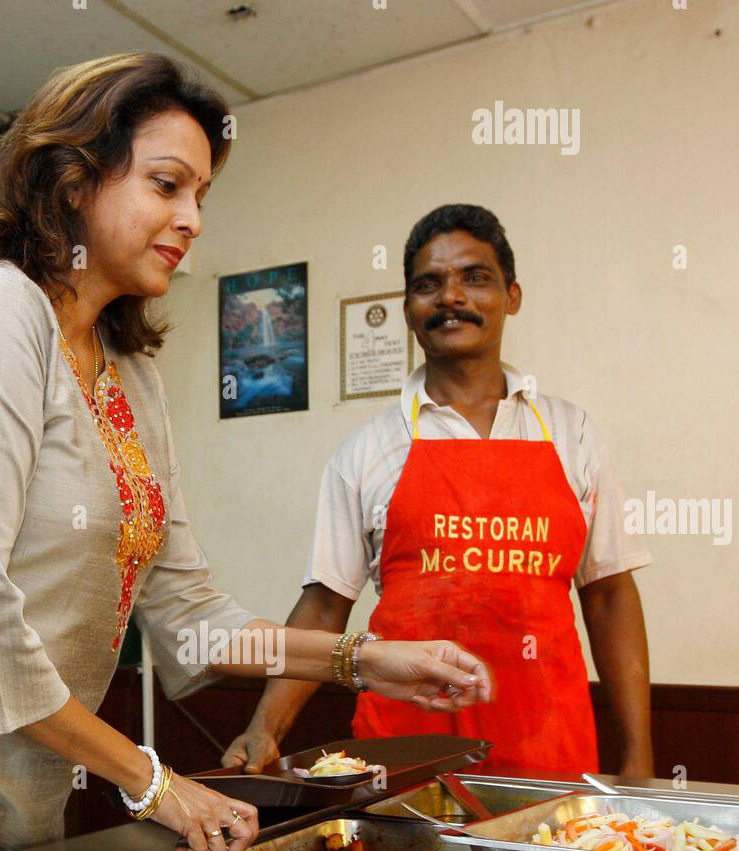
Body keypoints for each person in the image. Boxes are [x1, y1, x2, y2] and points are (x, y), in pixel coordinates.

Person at [0, 59, 490, 851]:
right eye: (167, 184)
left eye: (201, 194)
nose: (192, 219)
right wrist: (154, 783)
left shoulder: (128, 371)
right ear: (72, 181)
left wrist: (361, 658)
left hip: (24, 778)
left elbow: (192, 617)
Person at [224, 204, 653, 781]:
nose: (451, 297)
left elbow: (608, 594)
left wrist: (638, 756)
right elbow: (326, 605)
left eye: (475, 277)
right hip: (402, 760)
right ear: (407, 310)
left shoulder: (571, 433)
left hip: (549, 758)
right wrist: (264, 728)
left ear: (513, 295)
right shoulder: (367, 450)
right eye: (429, 284)